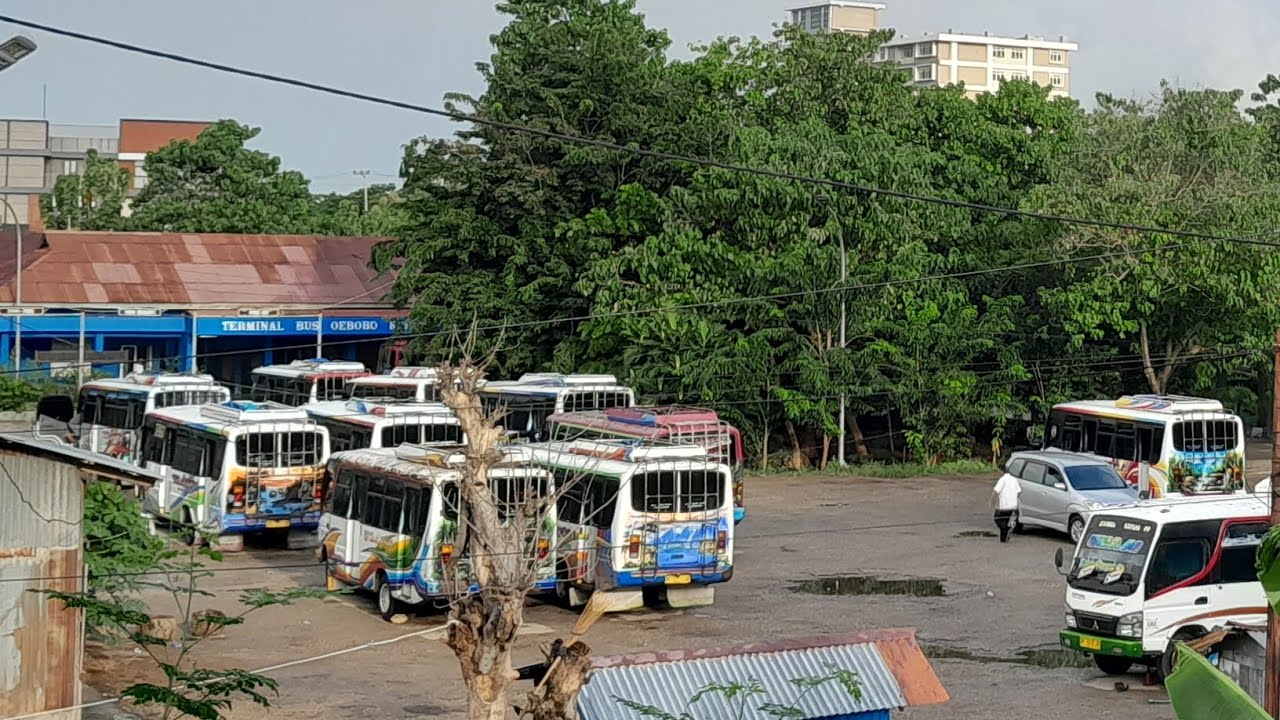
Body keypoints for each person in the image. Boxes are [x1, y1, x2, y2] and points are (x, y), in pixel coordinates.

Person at [989, 472, 1021, 543]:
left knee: (997, 518)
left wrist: (991, 501)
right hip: (1013, 506)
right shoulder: (1015, 480)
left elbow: (996, 491)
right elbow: (1019, 492)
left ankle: (1007, 529)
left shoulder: (1002, 479)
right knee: (1006, 520)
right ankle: (1003, 540)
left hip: (1004, 506)